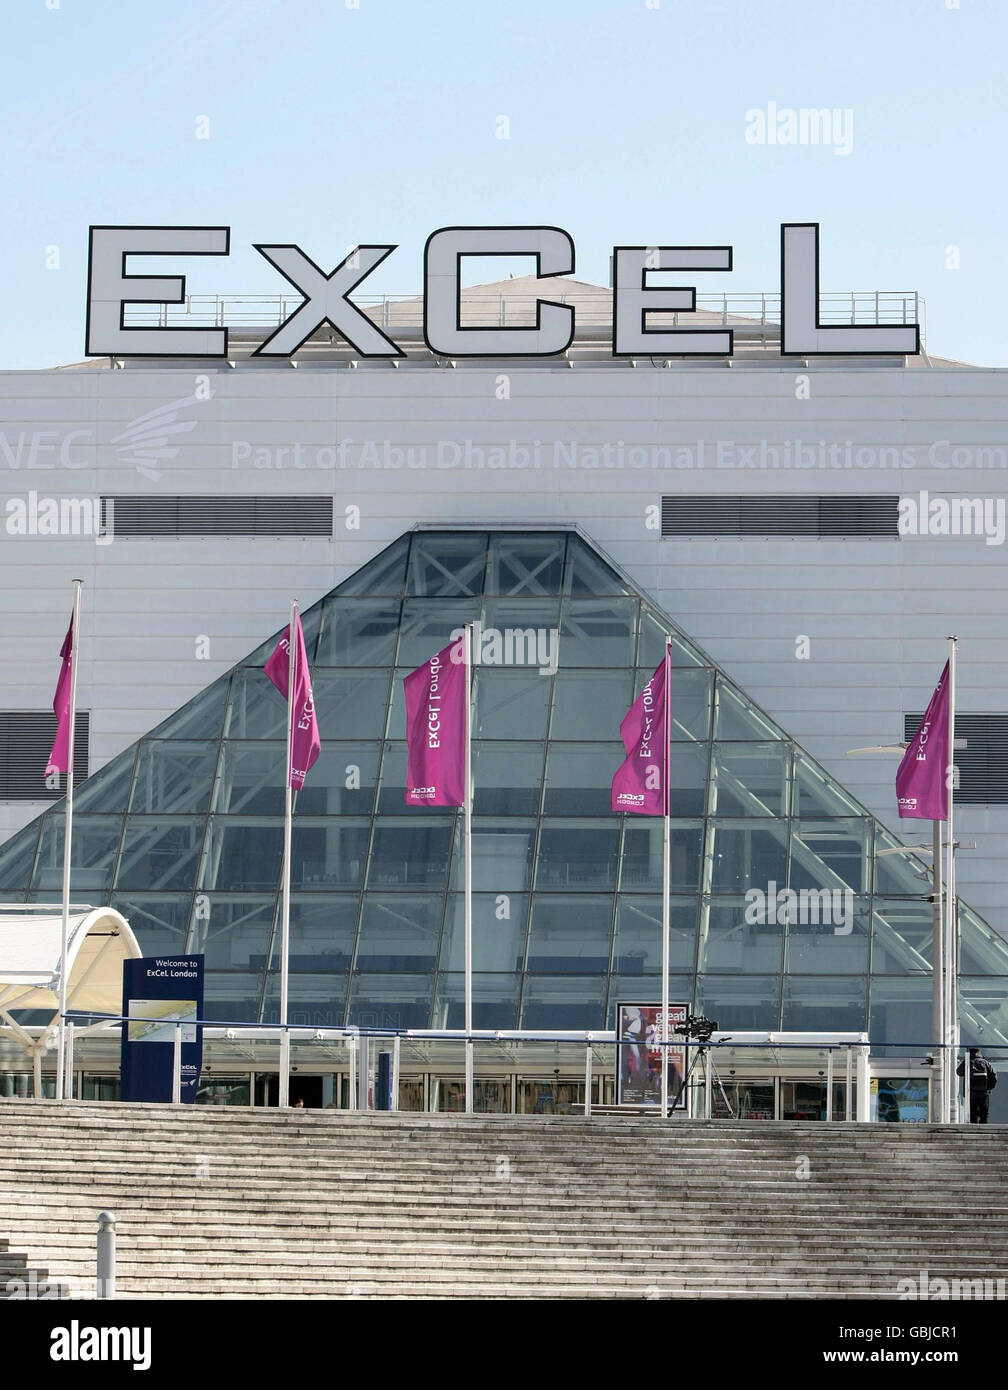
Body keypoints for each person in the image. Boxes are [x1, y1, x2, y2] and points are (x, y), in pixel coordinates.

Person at [957, 1046, 998, 1124]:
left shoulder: (967, 1062)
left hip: (971, 1093)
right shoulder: (985, 1062)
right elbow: (994, 1076)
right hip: (984, 1093)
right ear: (979, 1052)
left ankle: (973, 1131)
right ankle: (984, 1132)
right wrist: (988, 1088)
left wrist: (965, 1061)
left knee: (973, 1114)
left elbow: (959, 1072)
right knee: (984, 1114)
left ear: (969, 1052)